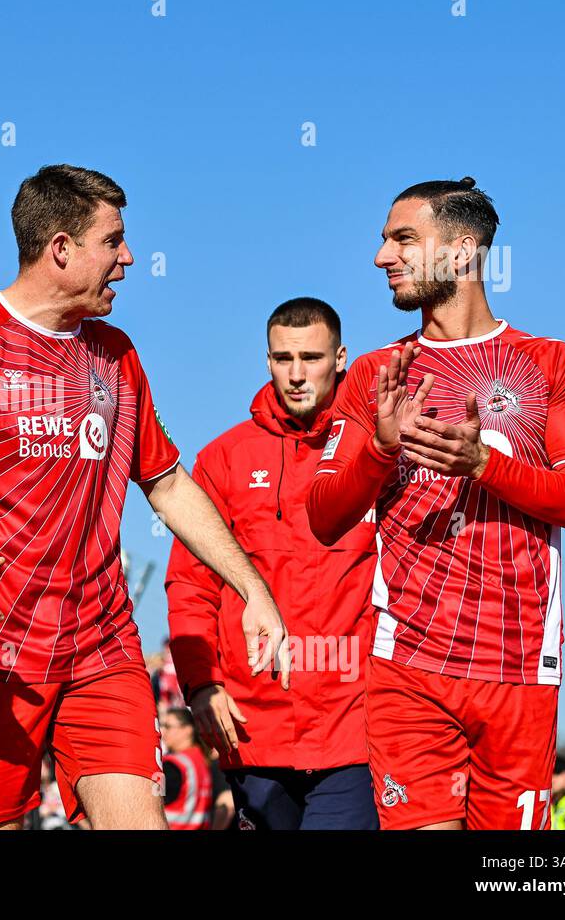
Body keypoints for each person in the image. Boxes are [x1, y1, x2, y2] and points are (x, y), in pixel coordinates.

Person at [0, 164, 288, 830]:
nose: (128, 259)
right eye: (115, 241)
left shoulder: (116, 354)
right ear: (62, 248)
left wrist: (251, 588)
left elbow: (168, 485)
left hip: (102, 645)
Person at [308, 177, 565, 830]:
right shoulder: (373, 372)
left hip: (519, 669)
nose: (382, 257)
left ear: (464, 250)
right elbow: (324, 515)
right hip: (407, 669)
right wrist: (378, 452)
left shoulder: (549, 361)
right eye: (385, 241)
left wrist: (482, 464)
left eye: (403, 239)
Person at [166, 297, 379, 830]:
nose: (298, 374)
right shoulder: (224, 457)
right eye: (284, 359)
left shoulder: (374, 452)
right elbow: (191, 583)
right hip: (252, 726)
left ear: (341, 357)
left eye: (311, 357)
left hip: (356, 726)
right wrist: (200, 684)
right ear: (267, 361)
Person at [159, 708, 218, 830]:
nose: (162, 732)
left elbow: (151, 802)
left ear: (187, 730)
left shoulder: (172, 765)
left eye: (168, 726)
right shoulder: (203, 759)